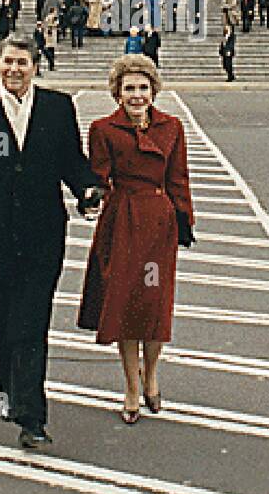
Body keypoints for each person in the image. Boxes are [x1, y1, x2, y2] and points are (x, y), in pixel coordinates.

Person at [0, 36, 101, 449]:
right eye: (7, 62)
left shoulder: (56, 107)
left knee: (33, 318)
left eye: (22, 63)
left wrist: (87, 189)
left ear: (36, 66)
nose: (14, 70)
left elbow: (72, 161)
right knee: (2, 313)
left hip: (42, 233)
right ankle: (7, 386)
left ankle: (31, 416)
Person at [77, 56, 193, 422]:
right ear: (117, 93)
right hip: (122, 222)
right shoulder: (103, 129)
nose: (137, 95)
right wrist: (91, 197)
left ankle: (152, 376)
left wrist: (184, 220)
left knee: (154, 305)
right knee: (126, 306)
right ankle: (130, 385)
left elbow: (179, 177)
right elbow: (98, 175)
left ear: (153, 90)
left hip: (159, 224)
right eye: (129, 88)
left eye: (143, 88)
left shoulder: (172, 127)